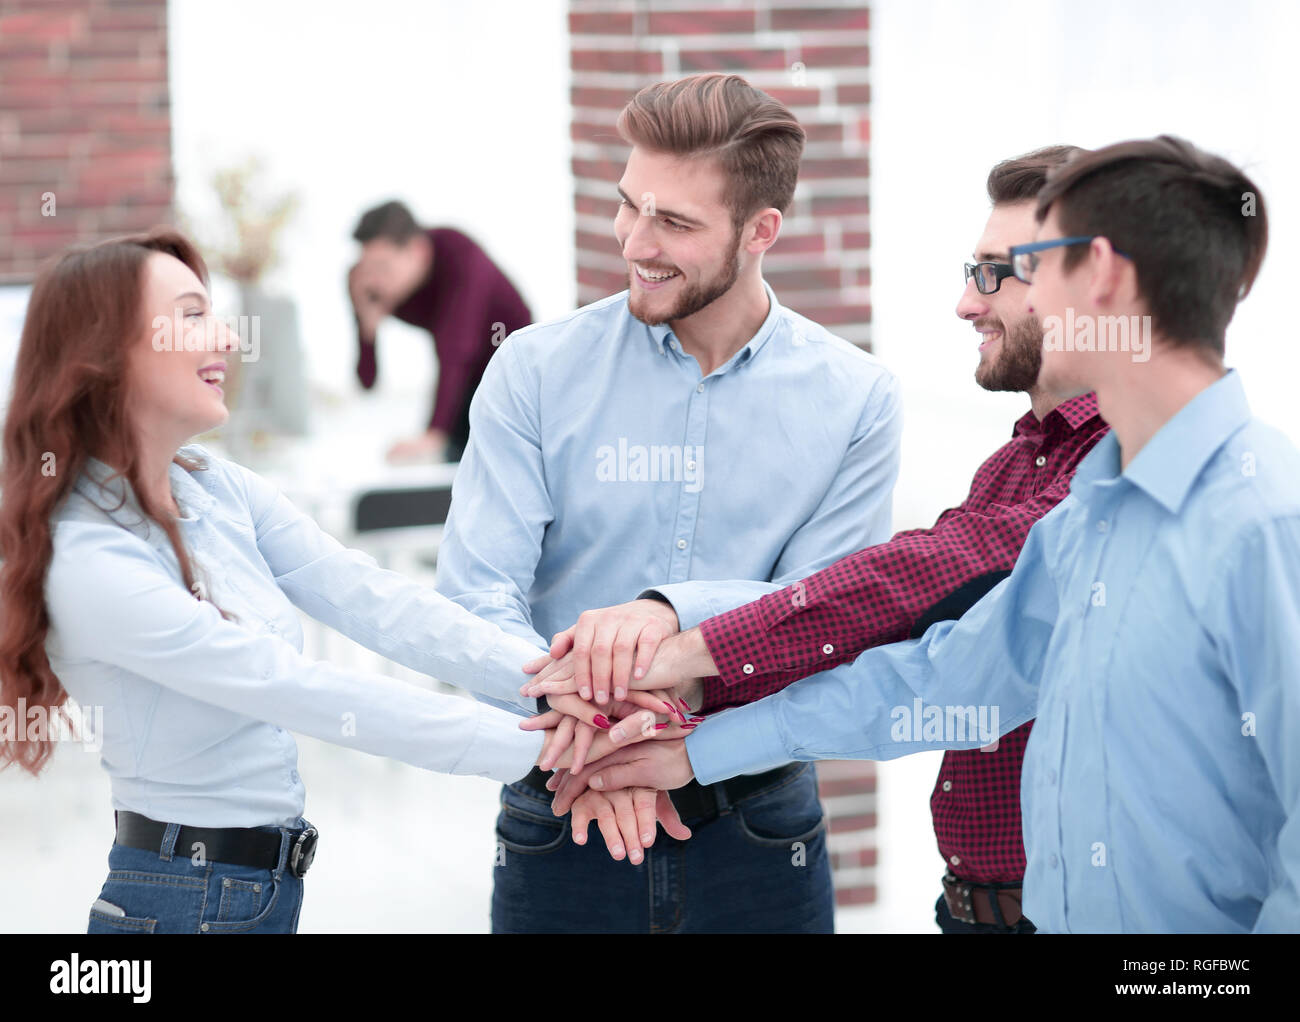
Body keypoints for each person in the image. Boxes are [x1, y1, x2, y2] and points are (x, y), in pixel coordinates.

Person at [541, 136, 1299, 934]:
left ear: (1103, 275)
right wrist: (690, 752)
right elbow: (941, 684)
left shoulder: (1264, 524)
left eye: (1027, 271)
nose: (986, 304)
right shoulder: (1094, 516)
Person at [0, 229, 638, 934]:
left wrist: (558, 680)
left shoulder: (214, 487)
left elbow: (371, 596)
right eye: (190, 315)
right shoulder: (88, 558)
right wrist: (561, 747)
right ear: (105, 354)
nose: (225, 338)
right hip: (181, 903)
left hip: (251, 894)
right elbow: (298, 687)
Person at [435, 72, 903, 933]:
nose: (635, 243)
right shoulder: (533, 373)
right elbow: (473, 595)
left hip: (758, 830)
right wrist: (582, 730)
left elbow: (831, 615)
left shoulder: (857, 400)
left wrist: (667, 616)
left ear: (762, 230)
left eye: (675, 223)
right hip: (561, 808)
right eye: (629, 206)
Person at [348, 201, 531, 463]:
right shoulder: (365, 283)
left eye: (384, 267)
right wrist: (367, 329)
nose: (375, 280)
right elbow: (367, 382)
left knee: (472, 450)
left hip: (505, 349)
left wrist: (432, 435)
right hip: (458, 360)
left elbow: (456, 348)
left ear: (418, 251)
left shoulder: (458, 255)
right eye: (368, 267)